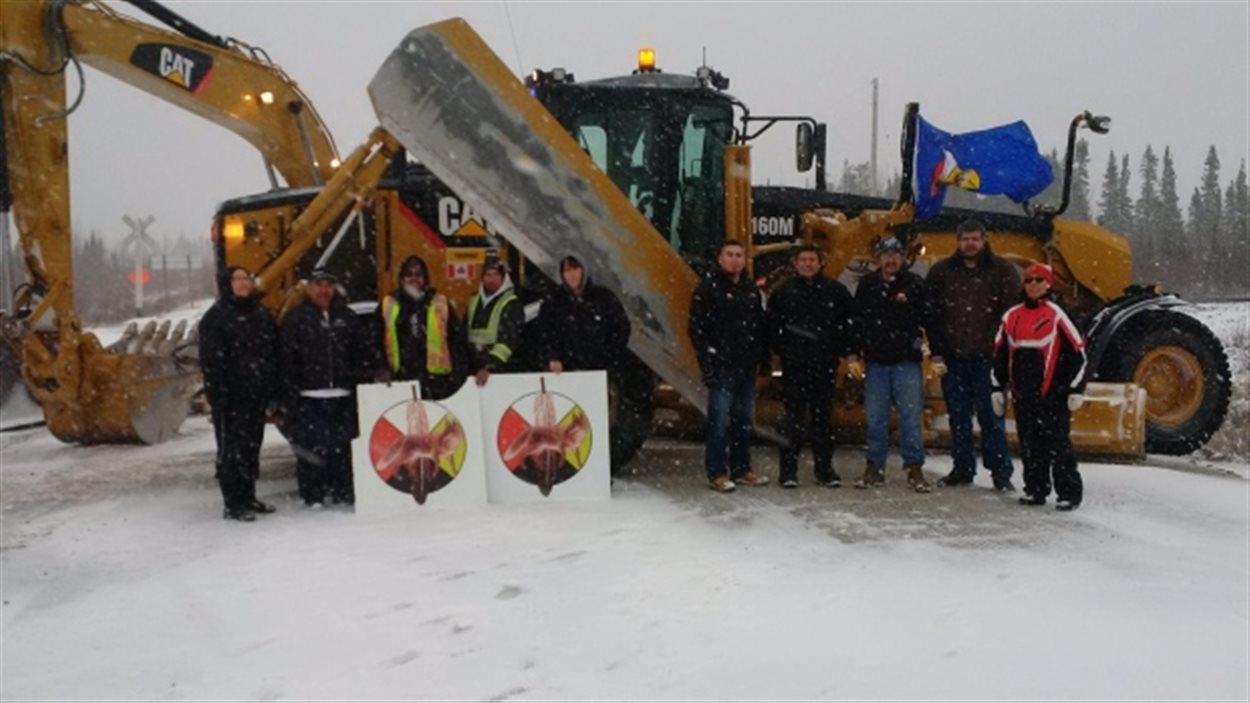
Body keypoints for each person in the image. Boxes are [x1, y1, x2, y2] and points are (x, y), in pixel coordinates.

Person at [925, 218, 1020, 491]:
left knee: (992, 419)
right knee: (959, 417)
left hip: (988, 361)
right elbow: (933, 316)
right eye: (965, 239)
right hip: (954, 360)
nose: (970, 244)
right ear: (958, 241)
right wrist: (938, 352)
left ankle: (1001, 474)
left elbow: (1011, 315)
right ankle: (962, 468)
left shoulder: (1003, 271)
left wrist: (1003, 354)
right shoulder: (942, 272)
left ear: (984, 240)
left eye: (975, 239)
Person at [992, 263, 1087, 510]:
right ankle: (1036, 489)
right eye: (1029, 280)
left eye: (1039, 280)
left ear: (1048, 284)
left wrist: (1076, 389)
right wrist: (996, 388)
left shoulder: (1057, 313)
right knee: (1030, 444)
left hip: (1053, 394)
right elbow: (1000, 354)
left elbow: (1079, 354)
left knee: (1058, 445)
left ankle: (1068, 493)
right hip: (1022, 394)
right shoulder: (1011, 316)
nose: (1033, 285)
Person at [280, 269, 373, 508]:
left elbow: (361, 353)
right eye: (318, 285)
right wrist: (290, 395)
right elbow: (286, 361)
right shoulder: (295, 319)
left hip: (343, 396)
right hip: (309, 397)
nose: (323, 290)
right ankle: (314, 495)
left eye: (328, 285)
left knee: (342, 448)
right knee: (311, 450)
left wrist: (358, 381)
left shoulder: (347, 316)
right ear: (309, 288)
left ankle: (343, 490)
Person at [849, 236, 933, 493]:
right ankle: (875, 466)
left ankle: (914, 467)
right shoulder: (867, 285)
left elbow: (930, 319)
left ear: (903, 258)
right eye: (886, 255)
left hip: (906, 362)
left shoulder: (914, 285)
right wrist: (853, 354)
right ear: (877, 259)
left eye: (896, 254)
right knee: (876, 419)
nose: (891, 259)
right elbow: (857, 322)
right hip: (876, 363)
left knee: (910, 417)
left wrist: (936, 353)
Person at [768, 244, 855, 488]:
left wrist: (846, 351)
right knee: (792, 421)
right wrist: (782, 349)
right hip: (794, 367)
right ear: (795, 263)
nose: (808, 264)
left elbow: (849, 324)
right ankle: (788, 472)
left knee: (823, 421)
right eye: (803, 260)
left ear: (821, 263)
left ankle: (824, 470)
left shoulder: (835, 292)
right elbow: (772, 326)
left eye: (812, 260)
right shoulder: (783, 292)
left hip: (824, 366)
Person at [198, 266, 280, 521]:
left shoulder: (260, 314)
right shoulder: (216, 318)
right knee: (231, 451)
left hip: (256, 396)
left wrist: (271, 387)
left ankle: (249, 496)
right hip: (230, 398)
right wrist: (219, 396)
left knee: (251, 448)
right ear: (227, 284)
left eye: (247, 278)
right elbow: (211, 362)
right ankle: (233, 503)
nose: (244, 284)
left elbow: (273, 351)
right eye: (238, 279)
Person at [689, 240, 770, 492]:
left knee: (743, 421)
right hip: (721, 367)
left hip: (746, 366)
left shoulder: (751, 290)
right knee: (718, 422)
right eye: (729, 255)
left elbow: (760, 328)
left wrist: (763, 360)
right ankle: (716, 472)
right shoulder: (708, 288)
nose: (734, 259)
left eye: (739, 255)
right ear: (720, 258)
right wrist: (708, 363)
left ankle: (742, 468)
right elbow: (696, 329)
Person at [376, 255, 465, 400]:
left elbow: (457, 342)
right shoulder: (389, 304)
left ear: (425, 279)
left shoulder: (440, 303)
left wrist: (456, 376)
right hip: (399, 380)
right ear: (401, 278)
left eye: (418, 275)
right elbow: (375, 340)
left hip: (436, 382)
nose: (414, 279)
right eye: (409, 274)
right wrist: (382, 368)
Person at [535, 255, 630, 376]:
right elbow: (544, 333)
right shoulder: (553, 301)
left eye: (575, 269)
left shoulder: (603, 297)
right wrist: (552, 357)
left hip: (599, 374)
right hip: (563, 374)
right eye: (567, 270)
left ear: (584, 270)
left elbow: (621, 328)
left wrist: (607, 358)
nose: (572, 275)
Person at [467, 257, 525, 387]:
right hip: (474, 372)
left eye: (496, 275)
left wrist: (490, 367)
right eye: (488, 275)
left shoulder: (511, 303)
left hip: (500, 373)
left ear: (503, 277)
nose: (491, 279)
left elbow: (508, 342)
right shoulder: (474, 300)